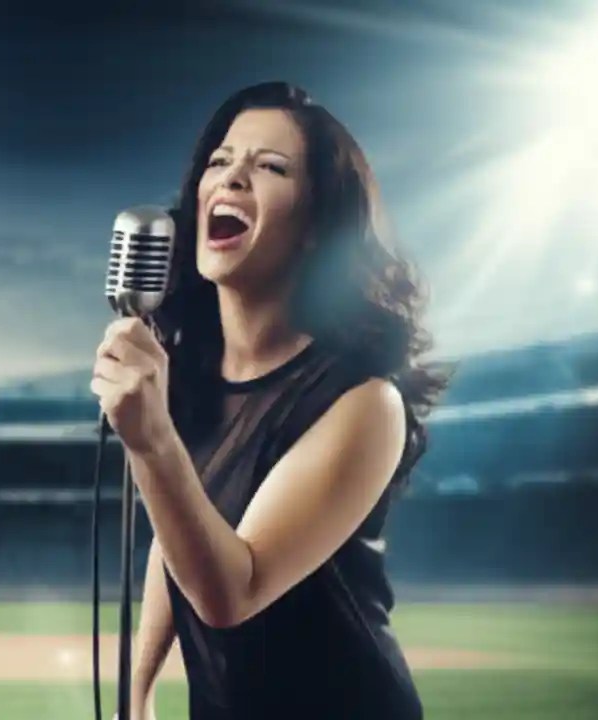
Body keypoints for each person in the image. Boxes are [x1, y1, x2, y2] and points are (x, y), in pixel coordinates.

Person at [89, 81, 447, 719]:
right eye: (220, 161)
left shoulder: (364, 403)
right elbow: (177, 537)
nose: (230, 179)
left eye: (271, 167)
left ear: (315, 225)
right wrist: (135, 692)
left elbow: (235, 592)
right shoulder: (191, 377)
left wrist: (153, 440)